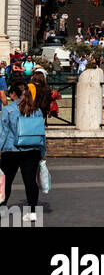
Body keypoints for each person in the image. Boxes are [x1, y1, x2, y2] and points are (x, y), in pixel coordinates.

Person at [0, 82, 46, 219]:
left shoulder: (8, 110)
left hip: (11, 150)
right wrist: (43, 152)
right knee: (30, 181)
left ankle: (2, 209)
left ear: (13, 94)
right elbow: (41, 134)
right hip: (32, 150)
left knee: (6, 181)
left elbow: (3, 133)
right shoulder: (37, 111)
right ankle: (32, 213)